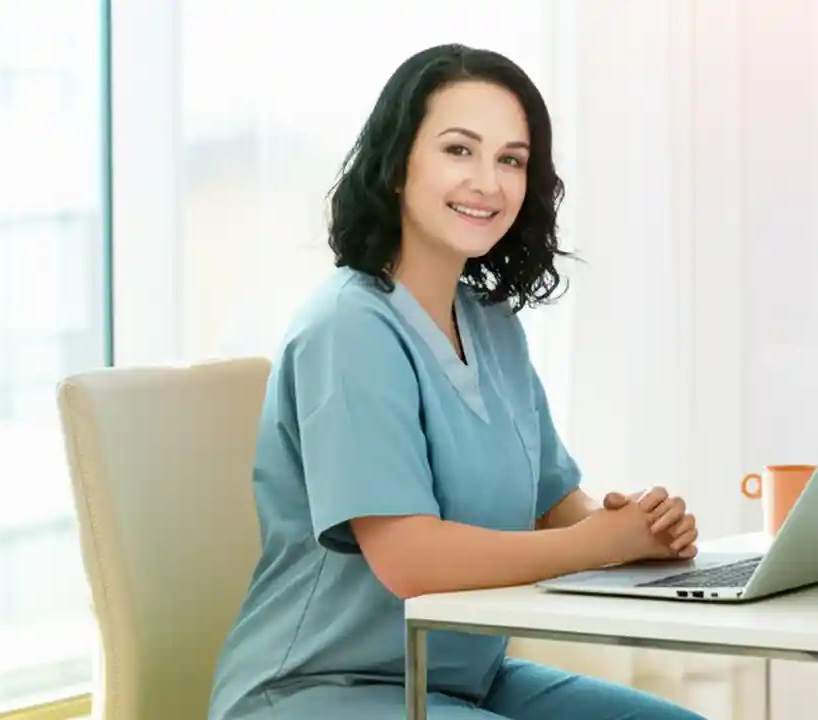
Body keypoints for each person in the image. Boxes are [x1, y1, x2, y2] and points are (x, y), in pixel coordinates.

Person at [208, 43, 705, 720]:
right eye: (458, 150)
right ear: (395, 166)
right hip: (318, 689)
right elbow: (408, 560)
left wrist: (637, 531)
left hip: (460, 681)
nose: (489, 182)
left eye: (511, 159)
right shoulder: (348, 327)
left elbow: (558, 505)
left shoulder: (493, 325)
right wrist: (595, 545)